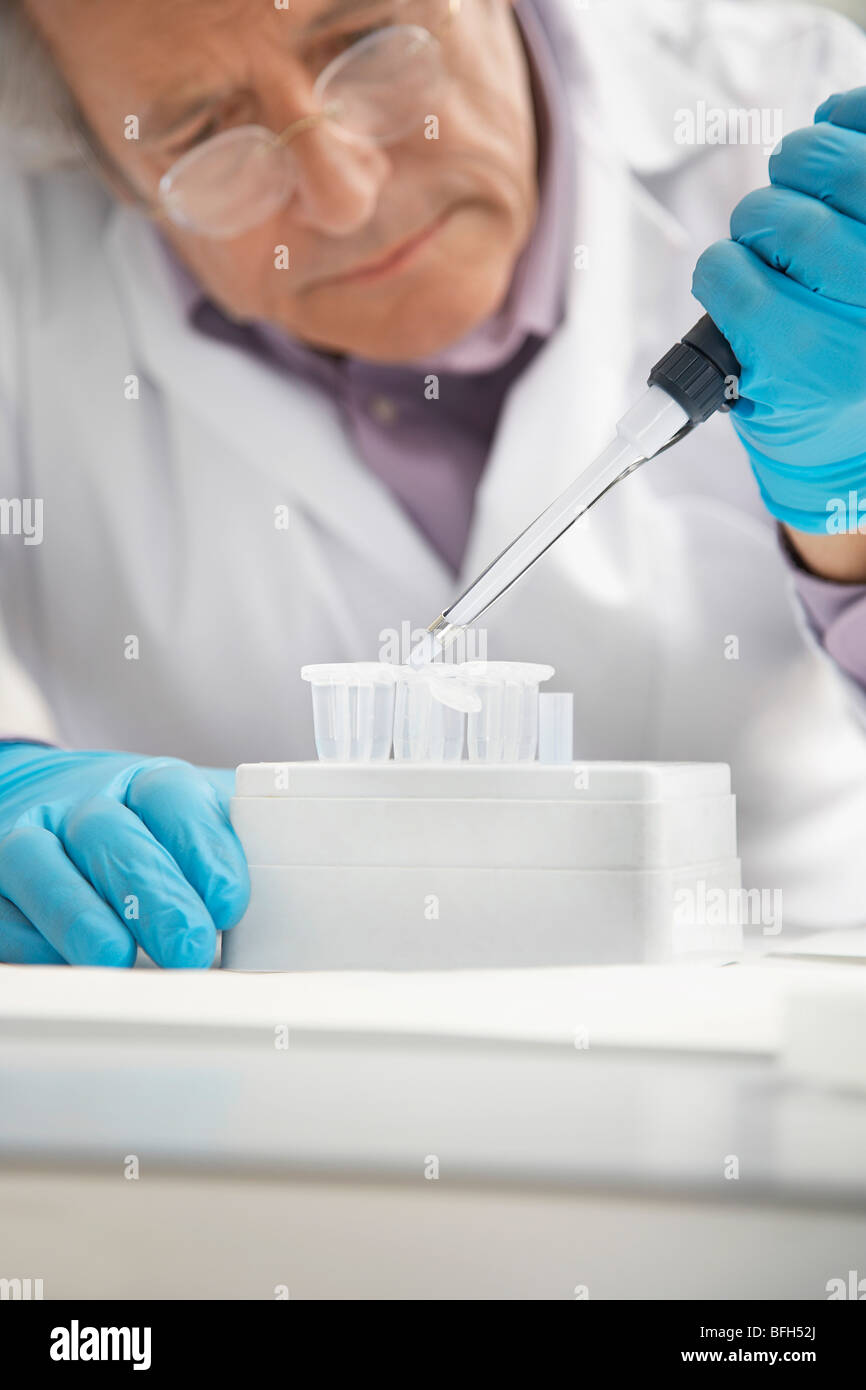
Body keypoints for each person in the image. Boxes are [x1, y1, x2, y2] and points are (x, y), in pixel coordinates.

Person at [1, 0, 865, 967]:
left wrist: (852, 523)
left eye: (369, 46)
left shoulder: (792, 129)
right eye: (203, 134)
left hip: (776, 1025)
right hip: (233, 1069)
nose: (343, 191)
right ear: (95, 159)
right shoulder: (19, 250)